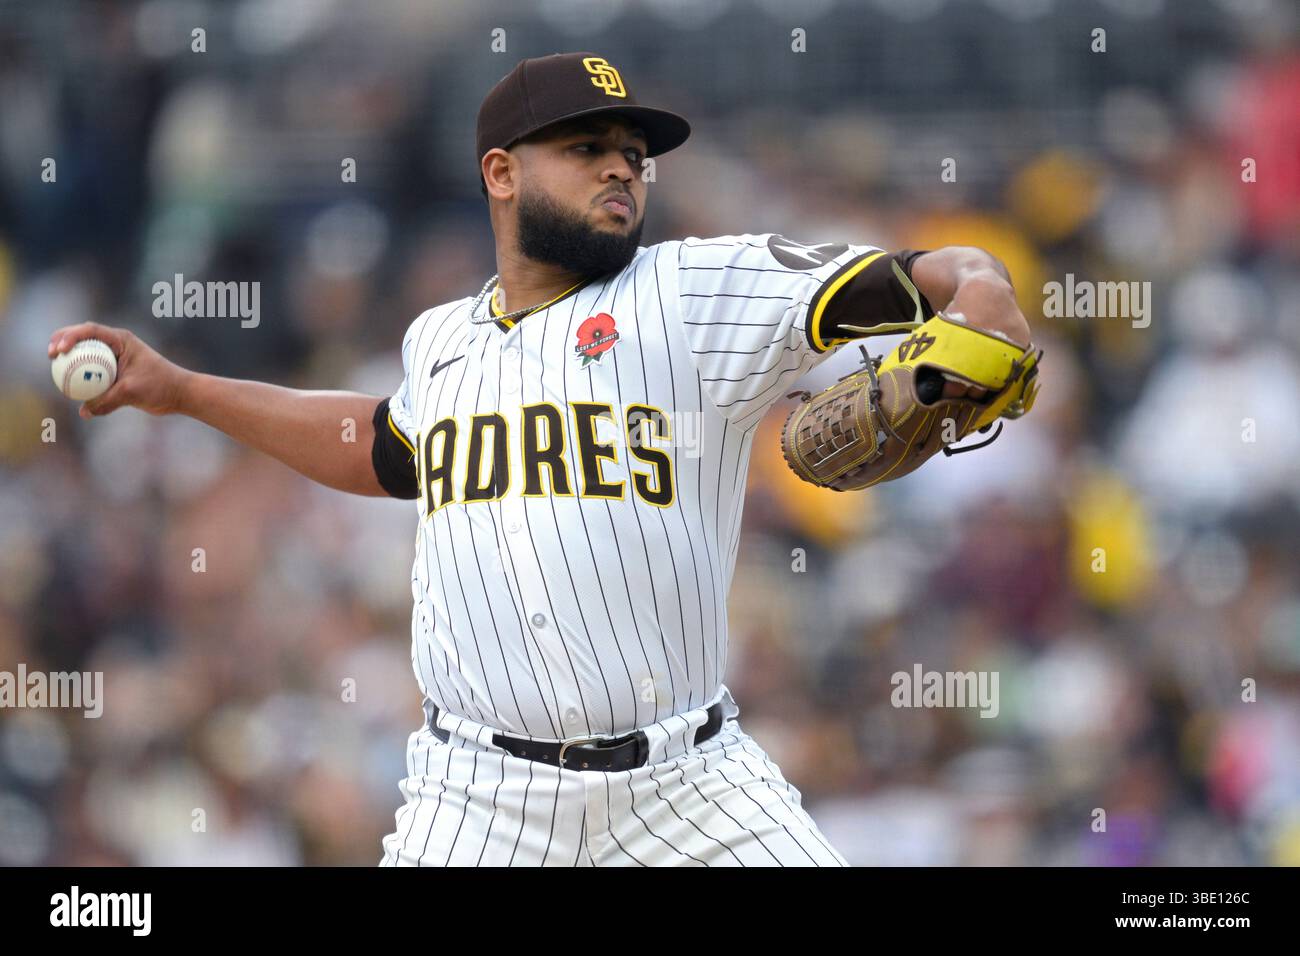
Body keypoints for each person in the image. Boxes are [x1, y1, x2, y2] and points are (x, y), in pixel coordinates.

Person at [49, 52, 1029, 866]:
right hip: (476, 796)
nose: (622, 170)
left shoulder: (688, 289)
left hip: (688, 789)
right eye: (587, 148)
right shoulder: (442, 339)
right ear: (500, 172)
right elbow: (377, 445)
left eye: (633, 155)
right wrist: (180, 390)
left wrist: (976, 282)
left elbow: (918, 277)